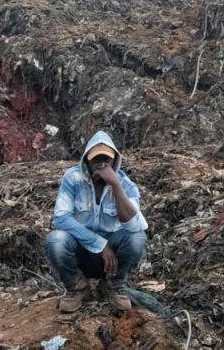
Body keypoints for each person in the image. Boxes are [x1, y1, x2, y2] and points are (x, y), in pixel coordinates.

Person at [45, 130, 148, 314]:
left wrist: (116, 186)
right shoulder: (73, 178)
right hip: (81, 253)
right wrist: (99, 245)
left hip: (112, 262)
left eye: (106, 161)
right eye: (96, 161)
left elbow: (135, 225)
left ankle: (115, 286)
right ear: (87, 162)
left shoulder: (125, 184)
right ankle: (76, 289)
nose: (101, 165)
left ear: (114, 161)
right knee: (56, 240)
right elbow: (61, 218)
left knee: (137, 238)